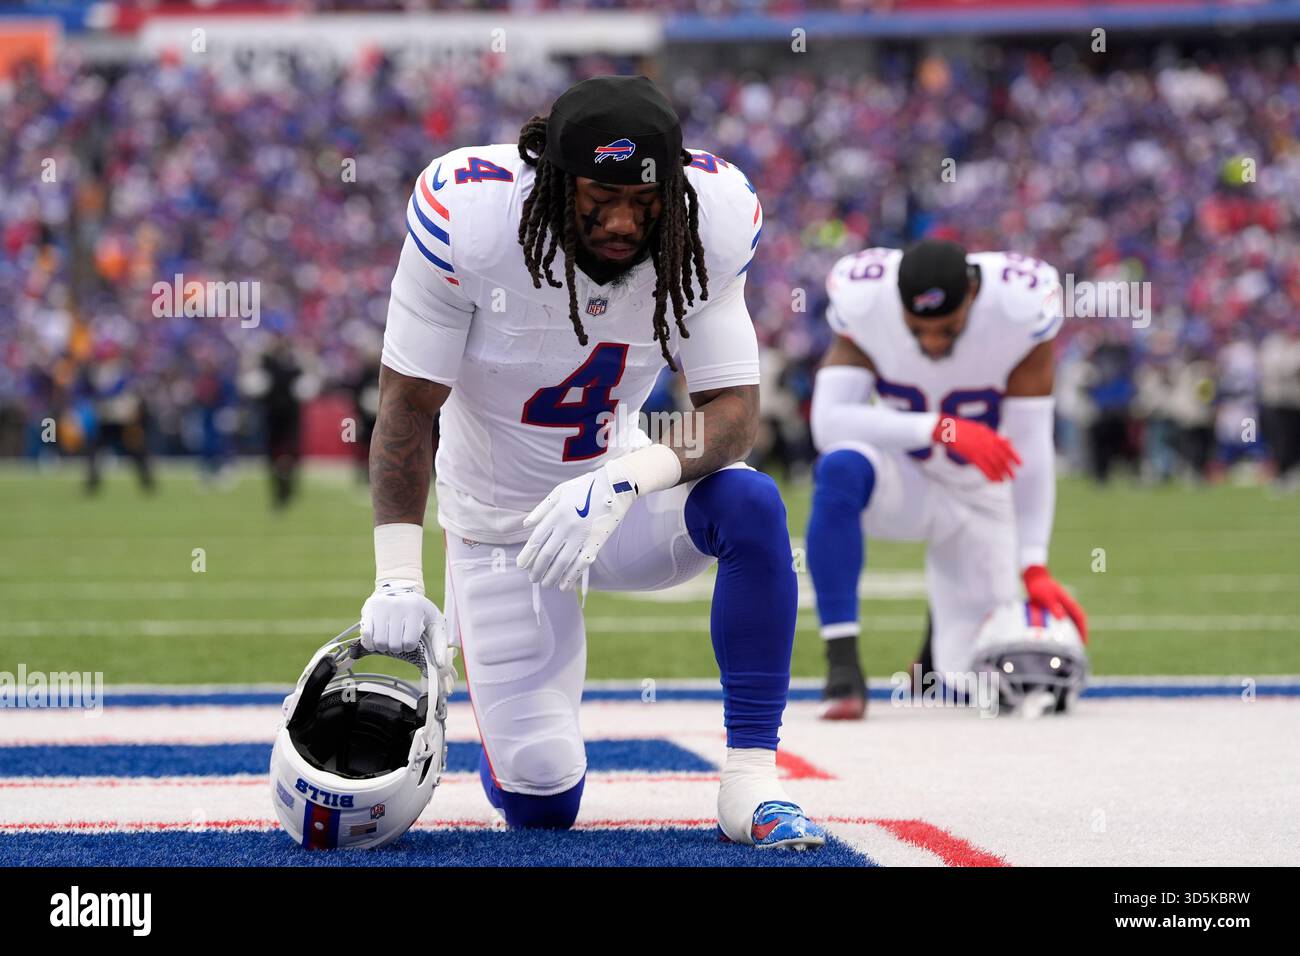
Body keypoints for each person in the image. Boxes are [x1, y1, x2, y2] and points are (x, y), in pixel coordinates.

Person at [359, 76, 823, 849]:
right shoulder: (469, 221)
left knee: (750, 503)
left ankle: (752, 784)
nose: (621, 222)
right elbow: (409, 406)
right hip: (500, 529)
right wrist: (396, 577)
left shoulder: (710, 220)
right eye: (598, 198)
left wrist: (628, 476)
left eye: (643, 204)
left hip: (619, 497)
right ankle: (508, 737)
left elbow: (734, 413)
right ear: (549, 178)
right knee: (545, 805)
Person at [805, 239, 1087, 720]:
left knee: (987, 687)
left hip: (980, 496)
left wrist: (1034, 562)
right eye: (919, 331)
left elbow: (1030, 446)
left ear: (973, 297)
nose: (933, 343)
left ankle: (936, 649)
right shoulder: (866, 302)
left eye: (948, 329)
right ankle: (843, 663)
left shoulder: (1018, 308)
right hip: (904, 477)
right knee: (840, 467)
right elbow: (827, 424)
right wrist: (941, 427)